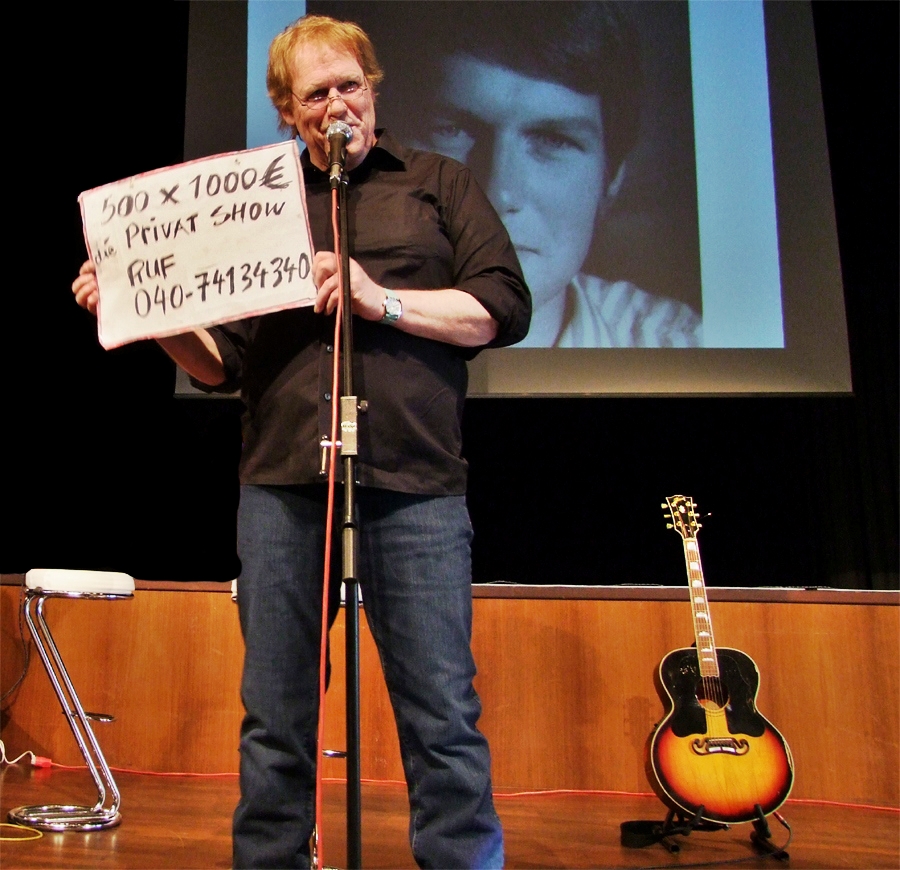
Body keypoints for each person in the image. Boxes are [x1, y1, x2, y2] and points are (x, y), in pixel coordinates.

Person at [73, 13, 530, 869]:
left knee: (441, 711)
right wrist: (141, 310)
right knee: (275, 714)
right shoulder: (256, 210)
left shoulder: (438, 183)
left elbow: (500, 309)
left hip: (415, 482)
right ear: (288, 110)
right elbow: (220, 364)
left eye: (349, 85)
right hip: (283, 486)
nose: (337, 105)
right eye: (316, 94)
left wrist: (380, 299)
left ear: (373, 88)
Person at [369, 0, 702, 348]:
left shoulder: (685, 347)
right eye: (451, 130)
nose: (498, 195)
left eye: (553, 140)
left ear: (611, 179)